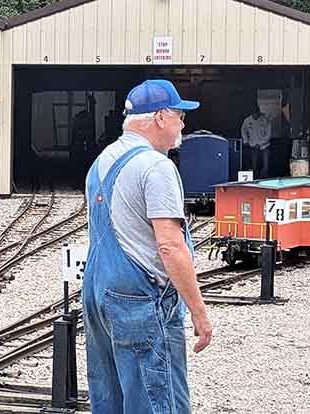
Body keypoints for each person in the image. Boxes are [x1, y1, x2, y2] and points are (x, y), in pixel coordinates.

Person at [82, 79, 212, 414]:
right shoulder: (156, 166)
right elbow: (170, 246)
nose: (183, 124)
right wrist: (198, 311)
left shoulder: (102, 161)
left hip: (99, 295)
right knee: (157, 401)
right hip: (141, 302)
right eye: (180, 115)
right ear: (159, 118)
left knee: (110, 398)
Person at [241, 105, 272, 178]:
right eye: (254, 114)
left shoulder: (265, 120)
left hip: (264, 146)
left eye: (257, 114)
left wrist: (260, 144)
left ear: (259, 113)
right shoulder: (247, 120)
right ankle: (255, 179)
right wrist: (246, 140)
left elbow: (268, 135)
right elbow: (243, 130)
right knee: (254, 166)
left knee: (265, 166)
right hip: (253, 146)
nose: (255, 116)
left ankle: (264, 179)